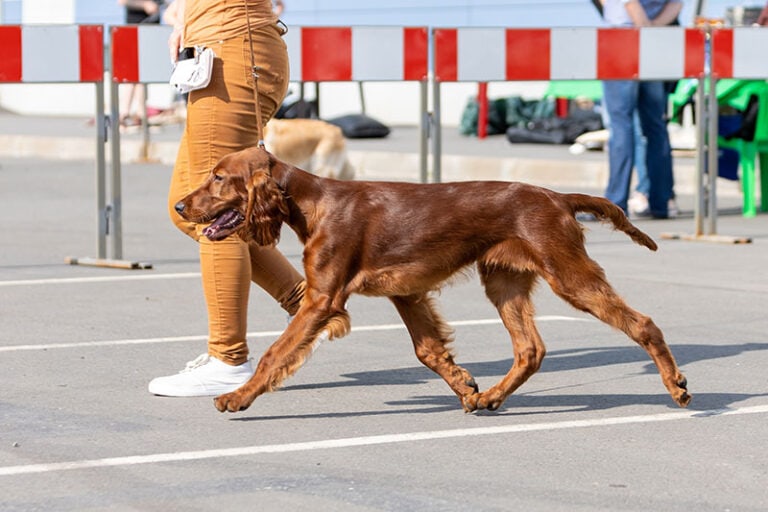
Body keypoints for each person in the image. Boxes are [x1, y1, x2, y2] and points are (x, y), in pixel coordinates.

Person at [148, 0, 307, 397]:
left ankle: (228, 359)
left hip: (233, 51)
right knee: (184, 208)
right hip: (221, 49)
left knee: (214, 212)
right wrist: (186, 14)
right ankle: (306, 305)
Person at [601, 0, 681, 219]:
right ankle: (661, 201)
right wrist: (653, 29)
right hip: (654, 44)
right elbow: (676, 4)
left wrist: (643, 27)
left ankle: (614, 203)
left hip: (622, 40)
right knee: (656, 126)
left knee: (621, 126)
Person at [117, 0, 164, 127]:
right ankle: (124, 113)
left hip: (150, 32)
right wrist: (144, 5)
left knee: (143, 74)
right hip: (134, 30)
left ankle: (140, 114)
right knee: (132, 73)